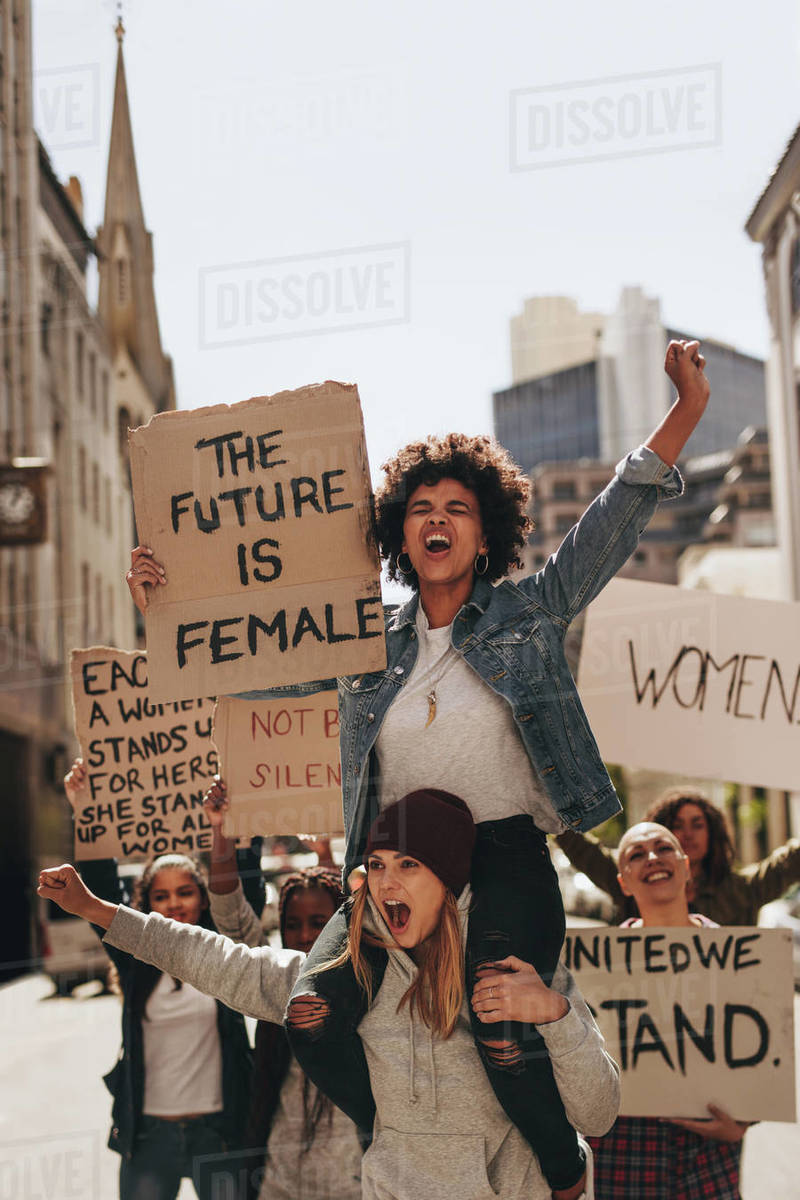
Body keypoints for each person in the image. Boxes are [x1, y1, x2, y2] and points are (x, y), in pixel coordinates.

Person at [126, 338, 708, 1198]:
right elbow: (259, 665)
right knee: (314, 1017)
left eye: (459, 507)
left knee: (500, 1024)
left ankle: (559, 1167)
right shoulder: (366, 642)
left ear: (486, 532)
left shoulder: (529, 613)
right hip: (396, 870)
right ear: (400, 530)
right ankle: (384, 1129)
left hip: (505, 856)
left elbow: (607, 529)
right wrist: (168, 605)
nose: (437, 519)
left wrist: (687, 412)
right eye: (420, 507)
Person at [38, 789, 620, 1200]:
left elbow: (599, 1111)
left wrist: (557, 1014)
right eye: (376, 864)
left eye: (410, 865)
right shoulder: (349, 977)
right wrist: (97, 910)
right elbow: (218, 958)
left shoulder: (520, 975)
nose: (387, 881)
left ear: (449, 884)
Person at [64, 761, 252, 1200]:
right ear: (144, 904)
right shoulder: (134, 958)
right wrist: (85, 810)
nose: (174, 905)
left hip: (219, 1136)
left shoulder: (226, 950)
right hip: (149, 1138)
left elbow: (244, 885)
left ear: (203, 899)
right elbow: (99, 891)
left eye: (185, 892)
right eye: (160, 896)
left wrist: (229, 821)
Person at [551, 821, 748, 1199]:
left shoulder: (739, 955)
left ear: (687, 865)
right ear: (623, 881)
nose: (652, 858)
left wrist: (741, 1124)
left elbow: (761, 1058)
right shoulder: (593, 966)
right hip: (624, 1157)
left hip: (709, 1162)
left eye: (663, 848)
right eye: (636, 855)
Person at [203, 780, 363, 1200]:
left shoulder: (368, 985)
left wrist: (328, 857)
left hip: (354, 1184)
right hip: (280, 1179)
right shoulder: (274, 981)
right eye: (293, 924)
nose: (306, 935)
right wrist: (221, 833)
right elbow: (230, 916)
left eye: (319, 923)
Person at [556, 785, 800, 925]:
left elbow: (792, 861)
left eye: (697, 825)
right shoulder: (633, 875)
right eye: (677, 825)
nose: (687, 835)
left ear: (712, 833)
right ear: (624, 882)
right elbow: (577, 845)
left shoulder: (742, 889)